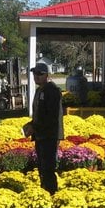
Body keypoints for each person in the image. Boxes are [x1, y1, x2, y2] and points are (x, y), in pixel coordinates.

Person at [23, 62, 63, 193]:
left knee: (48, 168)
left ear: (47, 75)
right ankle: (44, 191)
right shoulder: (39, 90)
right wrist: (31, 124)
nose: (37, 76)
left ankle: (51, 193)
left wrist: (34, 126)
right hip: (41, 135)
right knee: (42, 167)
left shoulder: (52, 91)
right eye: (35, 73)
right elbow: (40, 114)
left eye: (40, 74)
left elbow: (51, 116)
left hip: (50, 135)